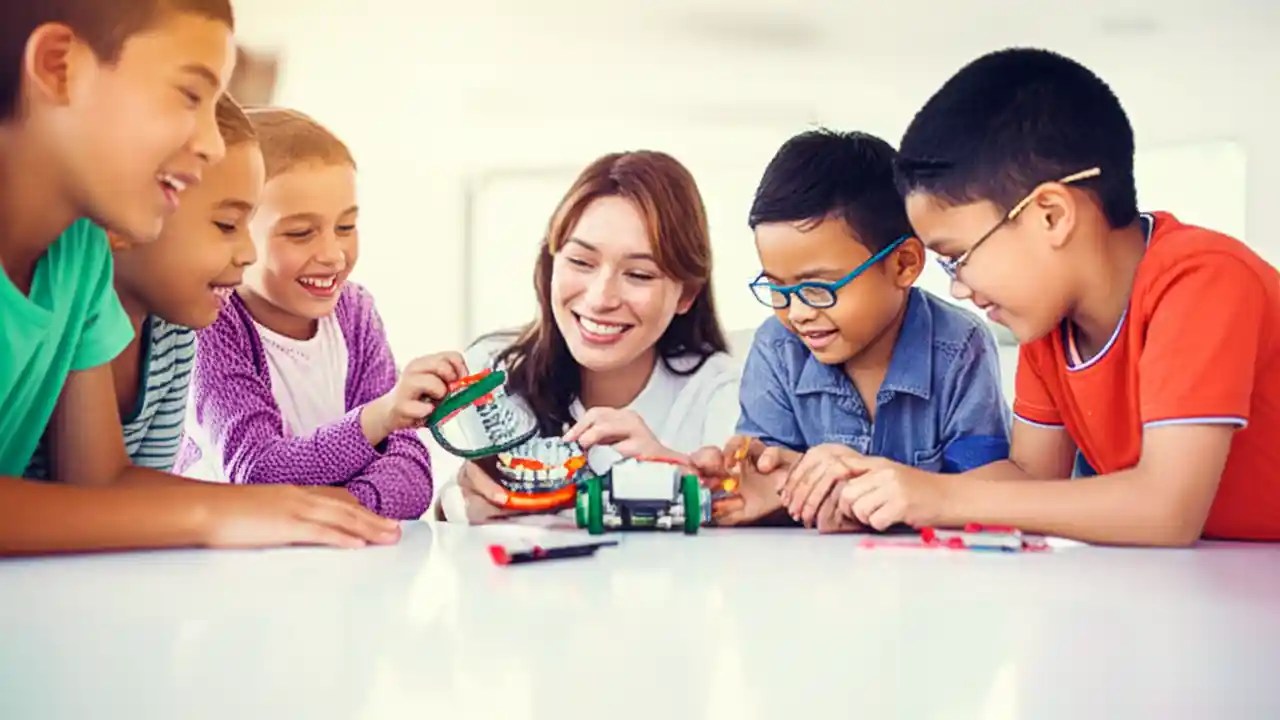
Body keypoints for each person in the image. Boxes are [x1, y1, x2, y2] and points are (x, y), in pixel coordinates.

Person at [833, 47, 1279, 544]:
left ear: (1051, 215)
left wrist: (940, 497)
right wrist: (871, 488)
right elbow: (1029, 484)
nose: (958, 286)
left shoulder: (1203, 279)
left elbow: (1166, 510)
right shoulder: (1049, 323)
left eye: (958, 256)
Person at [0, 1, 399, 554]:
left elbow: (98, 483)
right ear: (58, 68)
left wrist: (262, 506)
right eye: (190, 95)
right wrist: (212, 511)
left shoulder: (80, 255)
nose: (211, 142)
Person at [436, 150, 739, 523]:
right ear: (551, 264)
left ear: (687, 294)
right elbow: (444, 521)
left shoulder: (722, 394)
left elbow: (744, 532)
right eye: (580, 262)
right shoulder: (493, 371)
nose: (600, 299)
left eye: (639, 275)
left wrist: (666, 471)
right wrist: (454, 503)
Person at [177, 107, 443, 520]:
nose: (333, 255)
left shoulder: (355, 314)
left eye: (346, 227)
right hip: (229, 568)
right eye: (301, 233)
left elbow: (411, 474)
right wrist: (379, 418)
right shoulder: (213, 324)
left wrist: (347, 509)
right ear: (238, 233)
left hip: (335, 556)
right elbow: (257, 470)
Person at [25, 93, 259, 479]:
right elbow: (100, 492)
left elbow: (135, 491)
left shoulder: (173, 337)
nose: (250, 253)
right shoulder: (55, 304)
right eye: (227, 224)